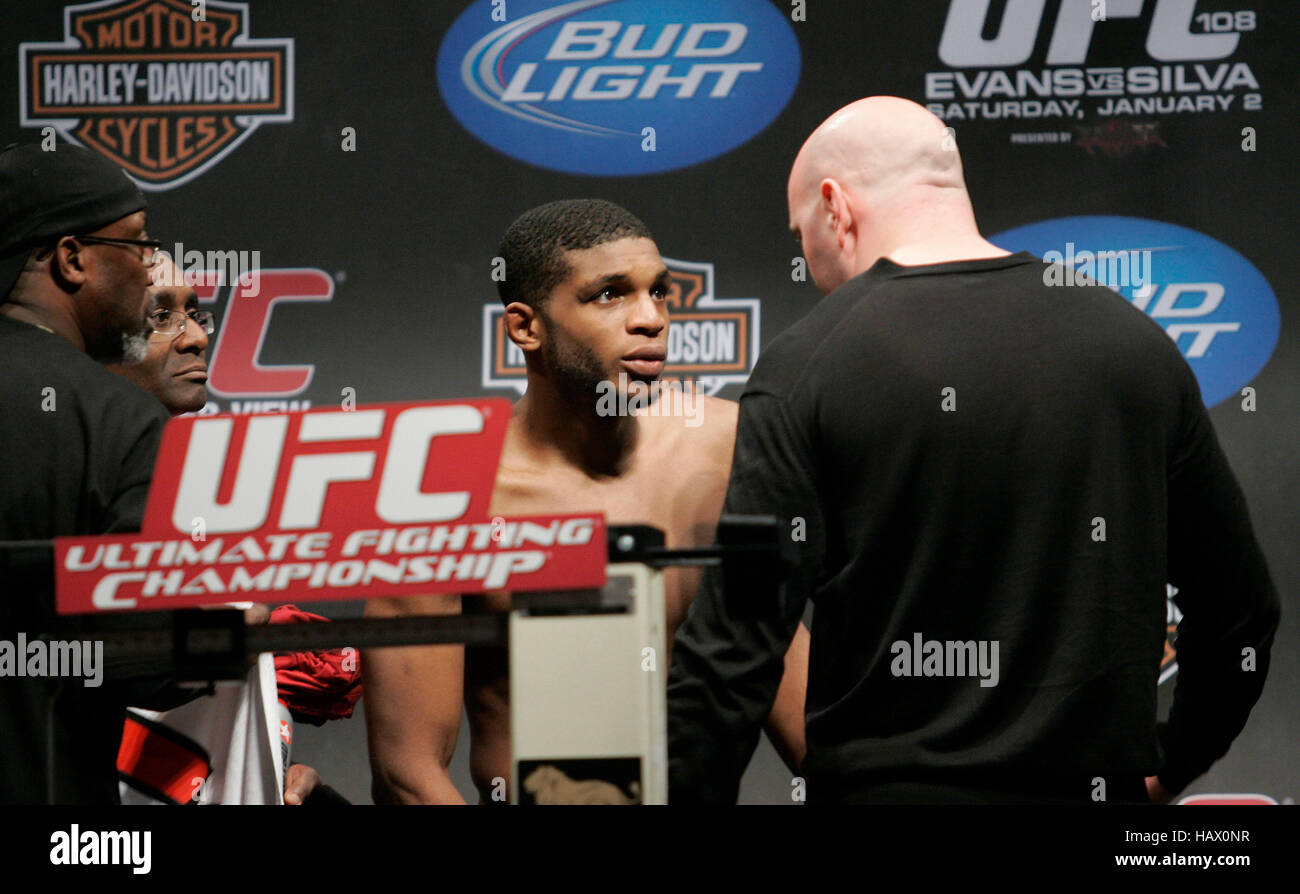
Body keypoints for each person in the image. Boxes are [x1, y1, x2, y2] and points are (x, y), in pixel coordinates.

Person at [665, 96, 1281, 804]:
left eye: (801, 232)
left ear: (835, 208)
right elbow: (1240, 609)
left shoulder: (805, 364)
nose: (807, 256)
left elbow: (733, 653)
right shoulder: (1132, 344)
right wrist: (1172, 763)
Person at [363, 199, 809, 803]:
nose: (651, 318)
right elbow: (408, 774)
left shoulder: (727, 448)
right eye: (610, 294)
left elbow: (783, 668)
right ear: (525, 327)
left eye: (661, 291)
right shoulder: (448, 500)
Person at [106, 258, 335, 805]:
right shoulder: (78, 491)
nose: (195, 338)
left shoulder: (205, 487)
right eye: (161, 316)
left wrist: (271, 756)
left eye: (196, 312)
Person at [0, 141, 175, 803]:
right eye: (136, 246)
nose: (150, 271)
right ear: (73, 259)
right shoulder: (118, 420)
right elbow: (151, 662)